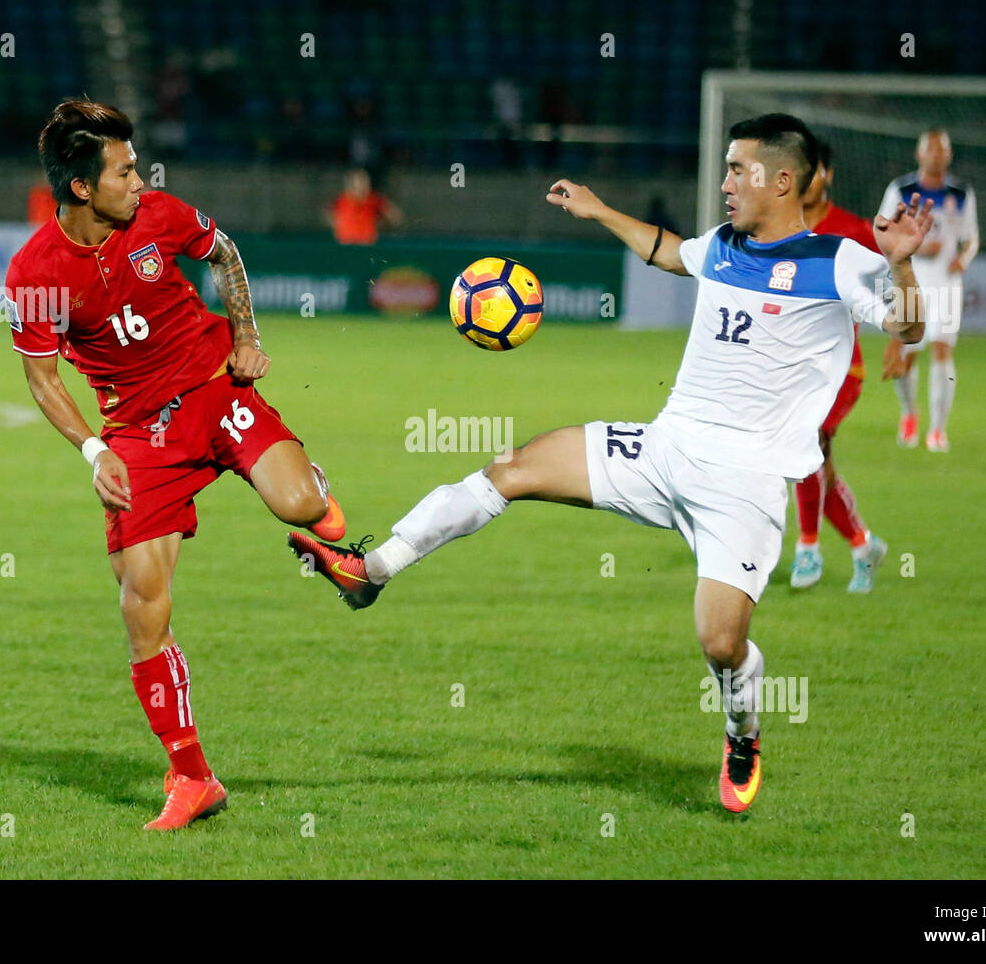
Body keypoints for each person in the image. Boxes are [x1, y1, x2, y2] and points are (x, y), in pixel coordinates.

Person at [291, 114, 931, 814]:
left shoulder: (835, 259)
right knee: (515, 466)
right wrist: (598, 210)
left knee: (721, 643)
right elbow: (669, 251)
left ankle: (742, 729)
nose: (722, 183)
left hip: (744, 482)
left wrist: (899, 261)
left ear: (781, 180)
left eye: (736, 170)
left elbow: (907, 326)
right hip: (663, 447)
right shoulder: (721, 245)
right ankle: (371, 571)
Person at [5, 100, 347, 830]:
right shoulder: (34, 271)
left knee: (301, 508)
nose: (140, 179)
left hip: (213, 383)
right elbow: (42, 379)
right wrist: (94, 450)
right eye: (124, 171)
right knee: (140, 600)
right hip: (137, 431)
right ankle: (192, 776)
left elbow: (223, 254)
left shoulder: (159, 215)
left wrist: (248, 334)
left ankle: (325, 509)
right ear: (81, 189)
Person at [790, 141, 888, 593]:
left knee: (810, 442)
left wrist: (903, 346)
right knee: (816, 467)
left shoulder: (853, 231)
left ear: (826, 175)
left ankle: (806, 550)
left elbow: (896, 282)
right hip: (793, 369)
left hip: (843, 369)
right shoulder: (779, 228)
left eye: (811, 172)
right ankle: (863, 546)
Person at [879, 129, 978, 452]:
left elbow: (972, 237)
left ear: (949, 155)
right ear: (919, 154)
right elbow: (883, 230)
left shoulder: (961, 193)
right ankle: (910, 414)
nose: (937, 156)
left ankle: (938, 429)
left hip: (947, 283)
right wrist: (916, 250)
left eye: (942, 150)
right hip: (912, 278)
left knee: (941, 349)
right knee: (906, 353)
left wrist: (963, 258)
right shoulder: (901, 189)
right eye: (930, 150)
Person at [326, 168, 400, 245]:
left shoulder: (374, 200)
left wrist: (379, 224)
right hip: (345, 244)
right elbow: (329, 214)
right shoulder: (341, 200)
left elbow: (394, 217)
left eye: (362, 184)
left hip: (366, 244)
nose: (359, 188)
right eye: (355, 185)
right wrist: (340, 225)